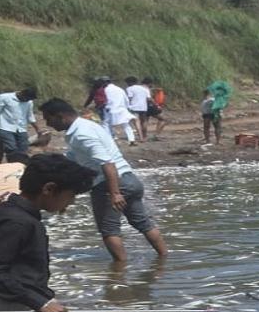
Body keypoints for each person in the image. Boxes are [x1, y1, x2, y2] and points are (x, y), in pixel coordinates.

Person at [0, 153, 95, 312]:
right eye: (70, 196)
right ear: (49, 189)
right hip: (7, 305)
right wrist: (40, 303)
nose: (70, 202)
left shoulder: (16, 214)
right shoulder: (17, 222)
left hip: (14, 301)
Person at [39, 98, 167, 263]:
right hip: (130, 180)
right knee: (144, 224)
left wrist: (114, 193)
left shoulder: (81, 133)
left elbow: (107, 162)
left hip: (109, 184)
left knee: (109, 230)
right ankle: (164, 258)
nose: (49, 124)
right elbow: (72, 159)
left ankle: (119, 272)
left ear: (60, 116)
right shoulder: (86, 126)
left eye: (49, 119)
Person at [0, 86, 41, 162]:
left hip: (21, 128)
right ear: (21, 94)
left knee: (23, 149)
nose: (26, 101)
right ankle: (12, 166)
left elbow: (30, 116)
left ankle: (20, 167)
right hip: (5, 127)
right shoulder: (4, 97)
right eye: (26, 99)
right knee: (11, 149)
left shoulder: (29, 102)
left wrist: (38, 129)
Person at [100, 78, 135, 145]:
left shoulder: (105, 90)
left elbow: (105, 100)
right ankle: (131, 139)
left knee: (107, 124)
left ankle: (110, 139)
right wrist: (127, 107)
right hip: (121, 109)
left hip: (110, 109)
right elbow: (126, 100)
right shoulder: (120, 89)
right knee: (126, 124)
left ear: (105, 83)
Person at [124, 77, 151, 142]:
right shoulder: (145, 88)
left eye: (127, 83)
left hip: (134, 107)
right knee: (144, 121)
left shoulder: (129, 88)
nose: (127, 84)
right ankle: (145, 136)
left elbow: (129, 98)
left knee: (137, 122)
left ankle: (141, 138)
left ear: (130, 82)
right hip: (144, 107)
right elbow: (148, 99)